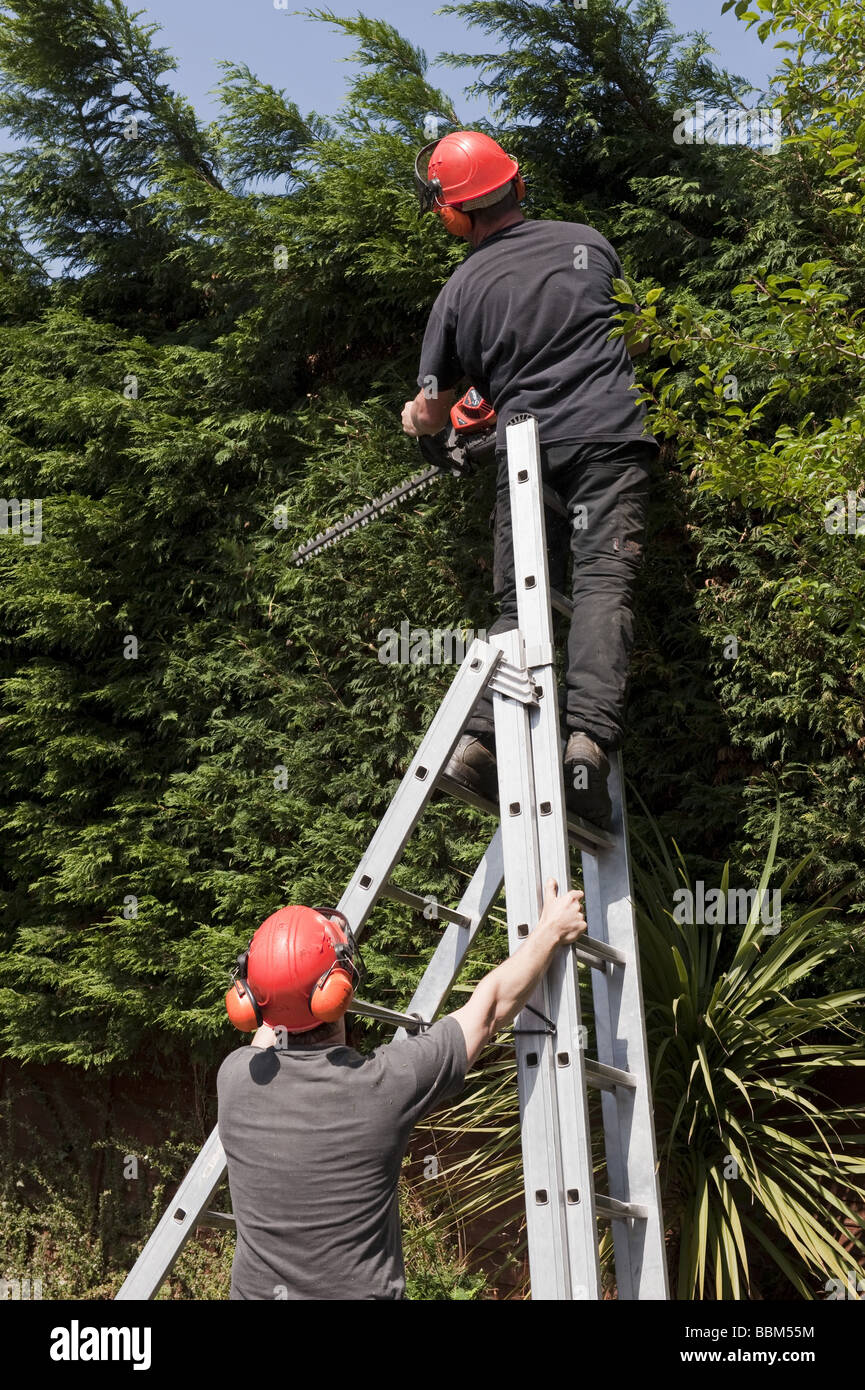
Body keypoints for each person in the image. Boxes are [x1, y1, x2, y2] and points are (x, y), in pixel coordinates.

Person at [402, 130, 658, 828]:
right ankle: (585, 749)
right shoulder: (588, 240)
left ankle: (480, 746)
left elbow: (430, 406)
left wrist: (423, 420)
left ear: (451, 214)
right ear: (516, 185)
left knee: (520, 603)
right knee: (603, 584)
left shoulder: (460, 288)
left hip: (524, 451)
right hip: (607, 433)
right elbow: (625, 331)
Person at [217, 883, 586, 1300]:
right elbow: (490, 1007)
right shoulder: (383, 1085)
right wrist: (551, 930)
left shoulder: (235, 1081)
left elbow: (271, 1034)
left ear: (249, 1001)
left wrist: (281, 982)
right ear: (340, 990)